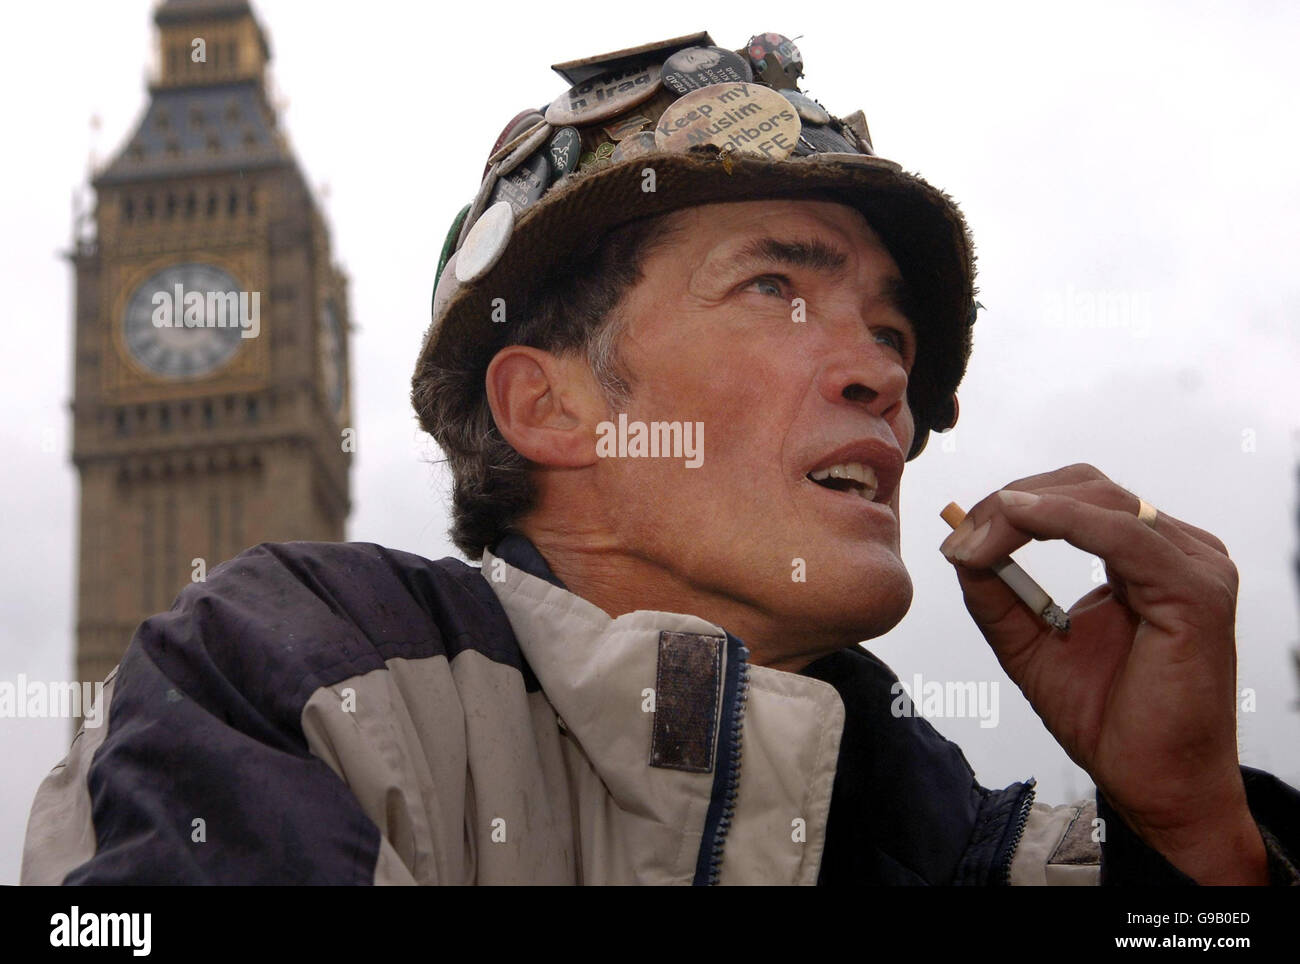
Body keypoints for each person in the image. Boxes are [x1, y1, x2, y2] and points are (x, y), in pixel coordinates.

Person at [22, 30, 1300, 885]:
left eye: (892, 328)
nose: (884, 374)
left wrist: (1197, 836)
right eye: (776, 292)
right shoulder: (291, 679)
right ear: (550, 405)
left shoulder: (977, 844)